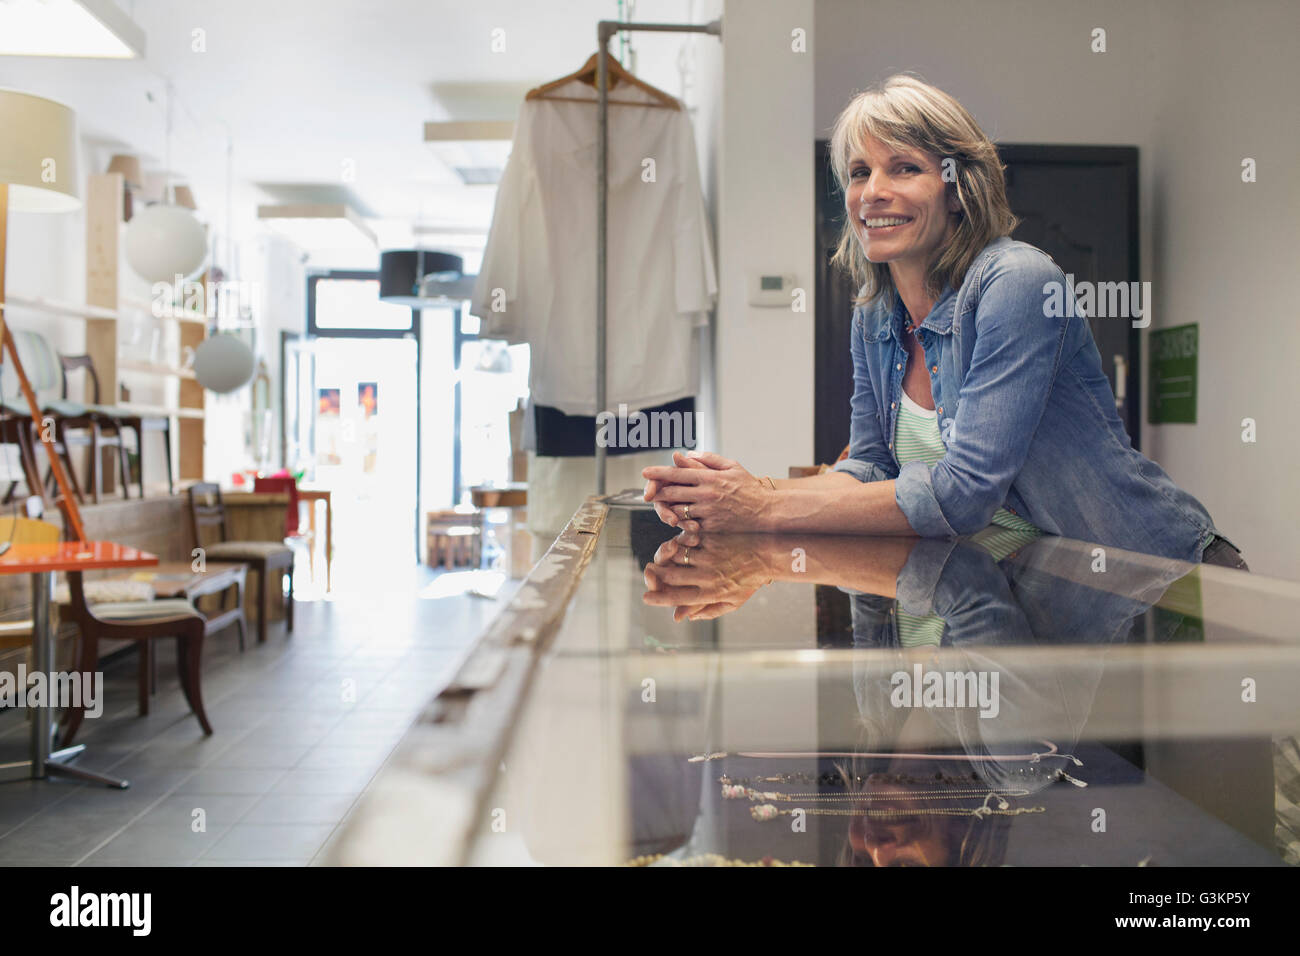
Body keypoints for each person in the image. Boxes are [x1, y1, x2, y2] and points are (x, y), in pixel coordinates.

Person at [643, 74, 1246, 569]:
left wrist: (760, 509)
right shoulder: (875, 314)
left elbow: (963, 495)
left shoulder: (1017, 283)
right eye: (859, 173)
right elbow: (869, 468)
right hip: (1039, 594)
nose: (872, 192)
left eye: (904, 168)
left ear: (959, 189)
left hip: (1155, 577)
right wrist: (736, 494)